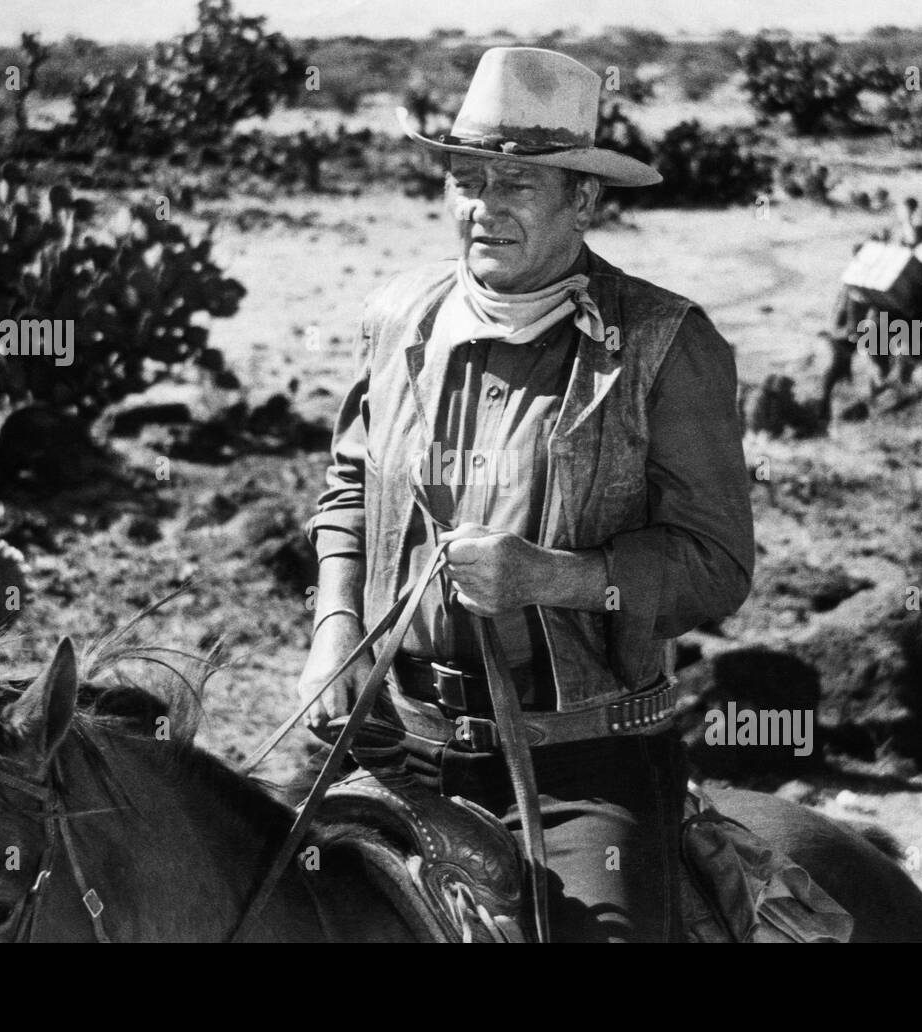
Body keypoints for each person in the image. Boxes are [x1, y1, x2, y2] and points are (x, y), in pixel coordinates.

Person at [299, 47, 754, 943]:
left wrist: (550, 577)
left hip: (585, 763)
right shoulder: (401, 320)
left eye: (517, 184)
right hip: (396, 739)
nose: (482, 208)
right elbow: (349, 488)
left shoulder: (666, 345)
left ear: (585, 200)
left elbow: (717, 570)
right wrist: (335, 632)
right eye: (467, 178)